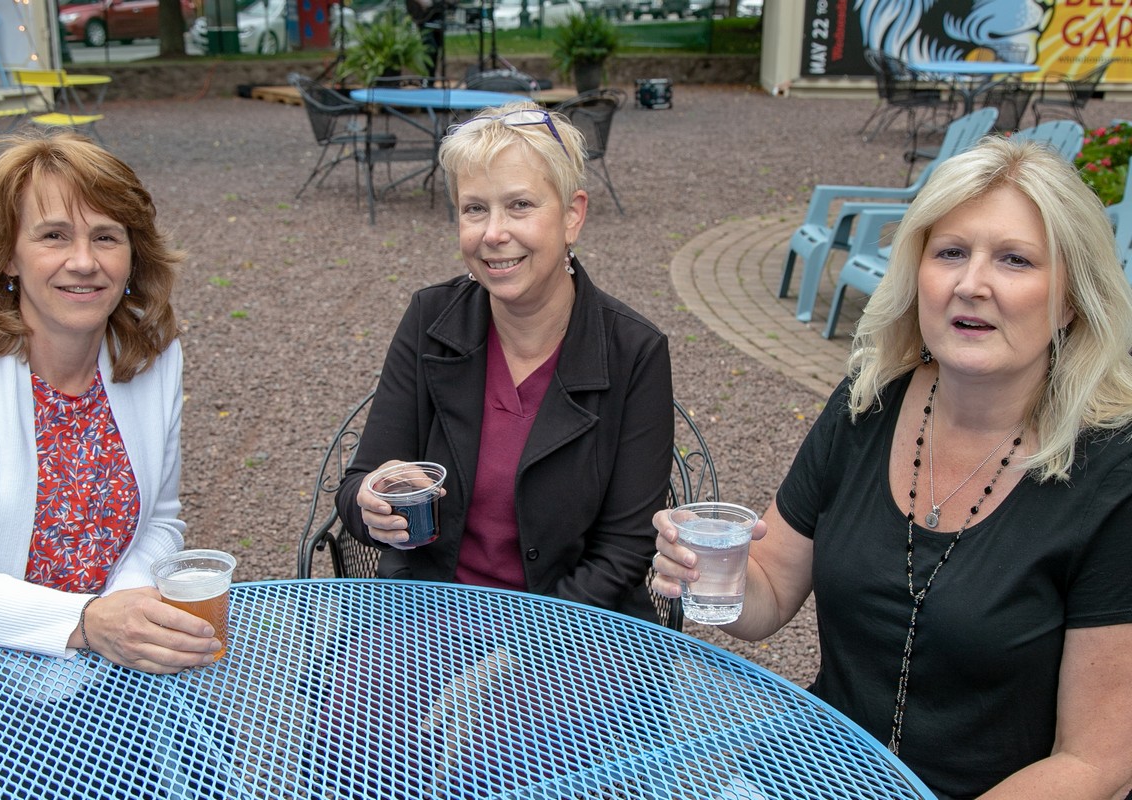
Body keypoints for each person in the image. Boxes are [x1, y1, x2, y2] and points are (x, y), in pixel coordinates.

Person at [652, 137, 1132, 800]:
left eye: (1015, 260)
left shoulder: (1113, 472)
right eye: (951, 252)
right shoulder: (867, 404)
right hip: (813, 770)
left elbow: (1096, 760)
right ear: (918, 273)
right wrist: (704, 570)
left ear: (1072, 299)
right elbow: (765, 596)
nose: (972, 284)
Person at [335, 101, 673, 623]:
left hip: (575, 633)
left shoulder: (633, 351)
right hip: (425, 615)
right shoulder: (430, 319)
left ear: (572, 215)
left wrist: (520, 653)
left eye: (519, 205)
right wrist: (371, 503)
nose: (493, 233)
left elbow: (624, 554)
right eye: (474, 209)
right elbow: (359, 486)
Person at [0, 130, 220, 674]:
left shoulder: (152, 353)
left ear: (133, 257)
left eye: (106, 237)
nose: (84, 261)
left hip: (114, 668)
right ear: (9, 257)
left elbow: (161, 520)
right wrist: (87, 622)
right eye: (54, 236)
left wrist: (124, 616)